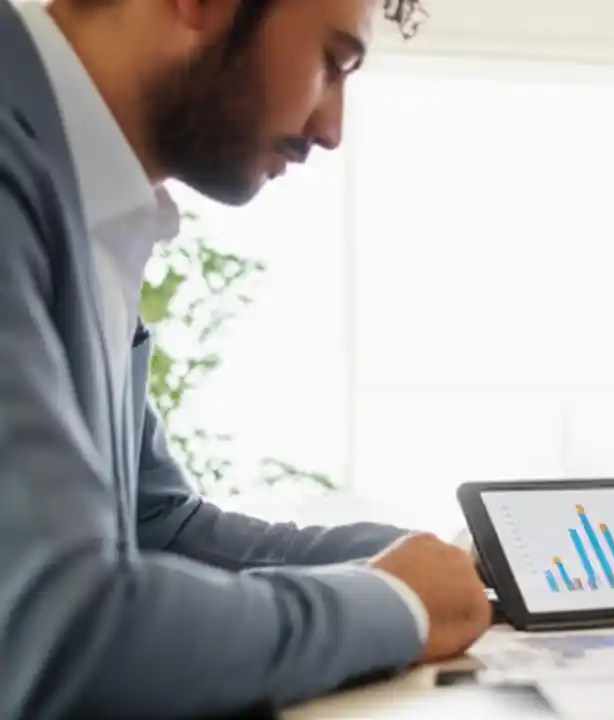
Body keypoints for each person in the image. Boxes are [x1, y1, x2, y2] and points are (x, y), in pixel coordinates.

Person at [0, 1, 491, 717]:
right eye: (332, 62)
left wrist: (435, 563)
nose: (332, 129)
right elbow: (69, 633)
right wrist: (398, 603)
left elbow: (157, 525)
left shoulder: (87, 210)